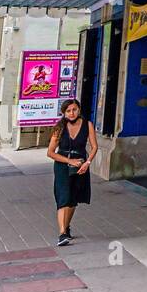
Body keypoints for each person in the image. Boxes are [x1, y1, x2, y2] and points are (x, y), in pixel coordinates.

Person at [46, 99, 97, 246]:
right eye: (68, 111)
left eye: (74, 109)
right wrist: (69, 161)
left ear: (79, 109)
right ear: (64, 113)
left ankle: (67, 227)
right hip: (63, 165)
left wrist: (87, 163)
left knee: (73, 199)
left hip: (81, 165)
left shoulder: (88, 125)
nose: (72, 113)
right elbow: (50, 153)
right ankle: (62, 234)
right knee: (63, 198)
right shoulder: (59, 128)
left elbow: (94, 147)